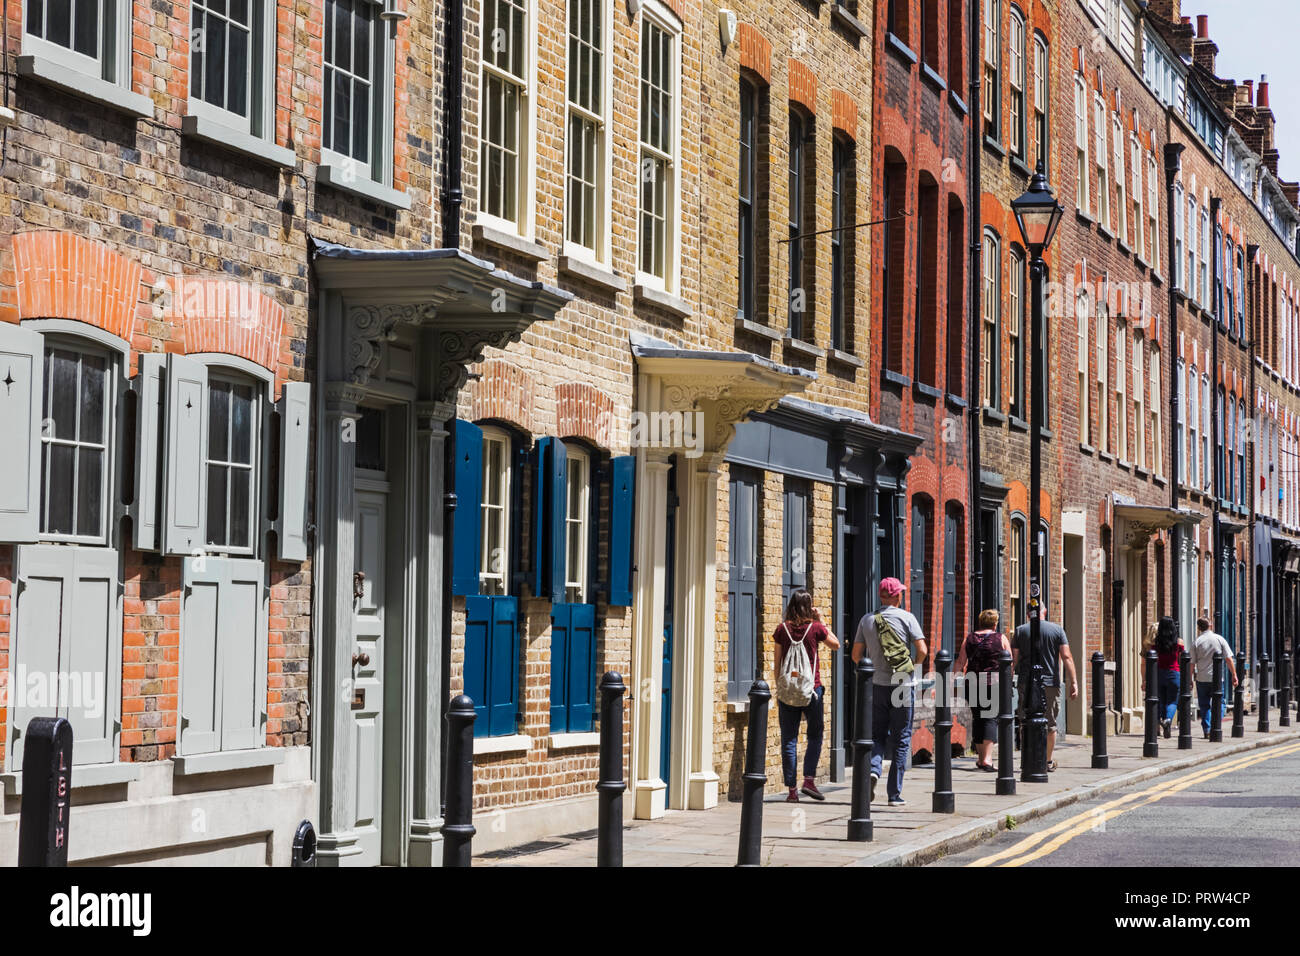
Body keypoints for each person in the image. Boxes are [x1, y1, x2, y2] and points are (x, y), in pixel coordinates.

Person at [852, 577, 929, 806]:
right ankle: (894, 794)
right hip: (902, 685)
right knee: (901, 738)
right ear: (897, 596)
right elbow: (923, 650)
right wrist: (913, 665)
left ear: (880, 596)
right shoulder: (907, 618)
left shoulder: (867, 620)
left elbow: (856, 656)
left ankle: (873, 770)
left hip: (877, 685)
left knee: (876, 734)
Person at [773, 589, 840, 802]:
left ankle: (792, 791)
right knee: (815, 735)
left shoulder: (781, 629)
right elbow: (836, 644)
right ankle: (809, 779)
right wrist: (821, 620)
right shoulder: (815, 628)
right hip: (812, 690)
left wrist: (780, 688)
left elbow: (777, 665)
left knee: (789, 739)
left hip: (787, 691)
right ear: (808, 607)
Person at [1012, 612, 1078, 772]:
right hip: (1050, 683)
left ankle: (1027, 759)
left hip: (1026, 682)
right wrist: (1073, 681)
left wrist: (1009, 679)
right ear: (1045, 612)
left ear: (1027, 614)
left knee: (1025, 721)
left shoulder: (1020, 630)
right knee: (1050, 723)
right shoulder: (1057, 630)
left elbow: (1013, 659)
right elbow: (1066, 656)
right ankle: (1047, 761)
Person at [956, 609, 1011, 771]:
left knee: (978, 718)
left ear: (980, 622)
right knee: (990, 718)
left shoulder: (969, 638)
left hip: (972, 683)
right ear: (995, 624)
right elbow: (1009, 662)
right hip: (993, 684)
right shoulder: (1000, 638)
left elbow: (960, 662)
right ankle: (987, 759)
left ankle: (981, 759)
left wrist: (952, 682)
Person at [1190, 617, 1238, 738]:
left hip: (1201, 678)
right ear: (1210, 625)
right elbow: (1228, 659)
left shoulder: (1197, 642)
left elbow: (1191, 663)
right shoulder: (1219, 639)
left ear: (1199, 628)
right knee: (1220, 703)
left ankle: (1207, 729)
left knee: (1204, 705)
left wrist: (1189, 679)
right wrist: (1234, 674)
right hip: (1217, 679)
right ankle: (1215, 724)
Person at [1143, 617, 1183, 739]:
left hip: (1158, 674)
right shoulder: (1179, 643)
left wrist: (1145, 679)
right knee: (1172, 701)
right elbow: (1182, 660)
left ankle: (1158, 727)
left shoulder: (1155, 645)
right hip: (1174, 673)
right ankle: (1168, 720)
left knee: (1160, 700)